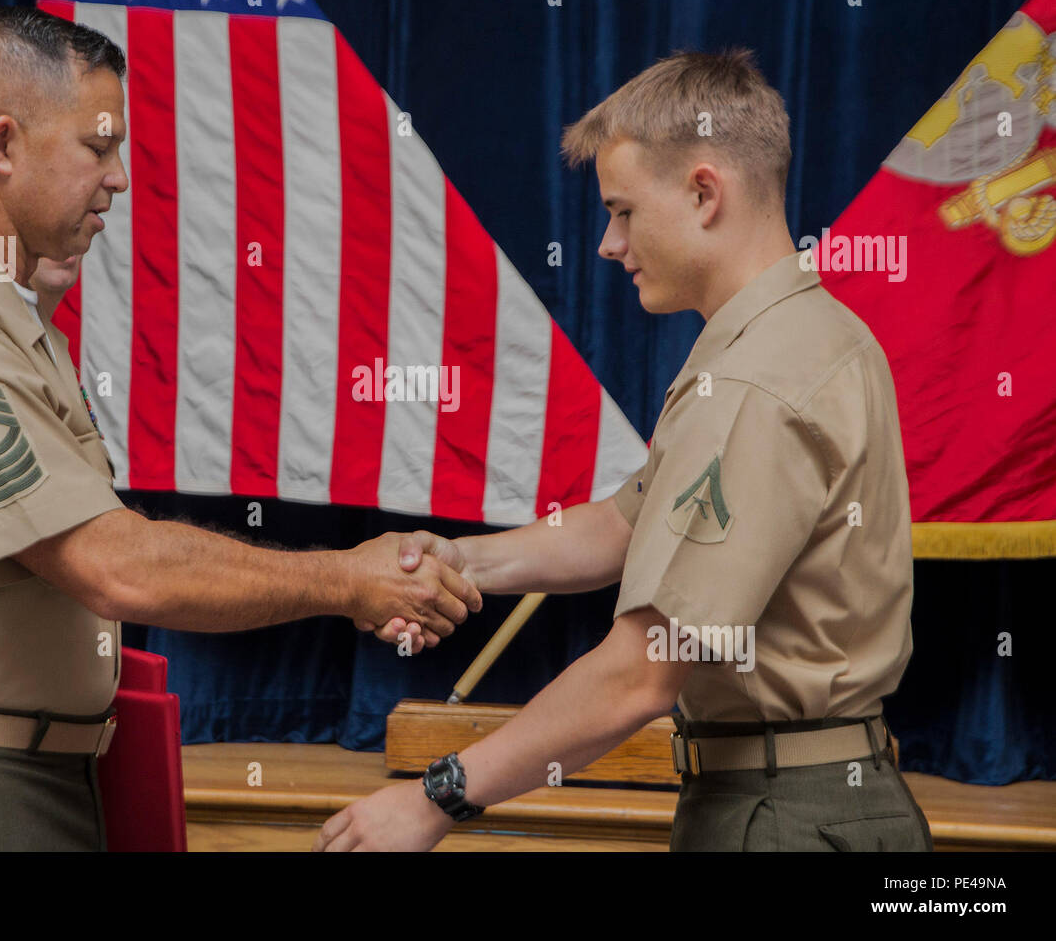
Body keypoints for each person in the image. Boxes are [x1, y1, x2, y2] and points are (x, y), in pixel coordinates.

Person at [0, 4, 478, 853]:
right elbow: (112, 564)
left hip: (27, 783)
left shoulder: (8, 321)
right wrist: (350, 582)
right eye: (98, 145)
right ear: (2, 147)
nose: (119, 177)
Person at [315, 48, 933, 853]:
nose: (608, 242)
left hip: (782, 815)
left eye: (623, 211)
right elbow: (621, 526)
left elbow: (641, 673)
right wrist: (456, 562)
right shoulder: (806, 337)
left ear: (704, 192)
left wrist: (436, 799)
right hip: (823, 798)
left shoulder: (756, 380)